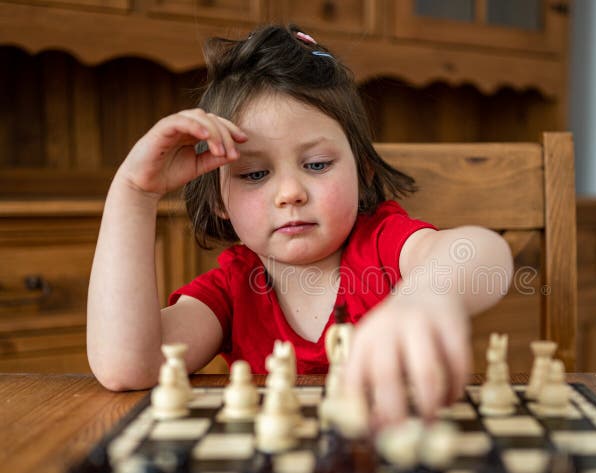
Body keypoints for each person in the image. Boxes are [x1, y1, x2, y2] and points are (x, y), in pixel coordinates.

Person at [87, 25, 513, 425]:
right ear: (218, 199)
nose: (290, 193)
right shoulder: (233, 290)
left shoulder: (384, 246)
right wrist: (135, 193)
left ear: (363, 171)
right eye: (255, 174)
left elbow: (484, 253)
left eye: (317, 164)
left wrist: (428, 295)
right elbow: (128, 367)